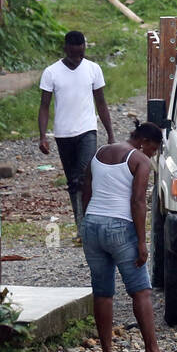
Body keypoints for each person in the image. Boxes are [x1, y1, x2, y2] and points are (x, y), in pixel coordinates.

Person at [81, 121, 177, 352]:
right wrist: (142, 242)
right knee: (140, 290)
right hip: (120, 227)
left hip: (92, 224)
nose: (152, 155)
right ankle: (152, 351)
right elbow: (137, 203)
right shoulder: (139, 160)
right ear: (144, 142)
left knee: (103, 292)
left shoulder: (99, 152)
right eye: (153, 150)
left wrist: (85, 224)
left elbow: (86, 190)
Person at [39, 31, 115, 241]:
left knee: (85, 176)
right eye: (74, 54)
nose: (77, 58)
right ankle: (81, 227)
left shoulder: (93, 69)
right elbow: (44, 106)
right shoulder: (51, 72)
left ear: (84, 49)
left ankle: (90, 226)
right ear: (66, 49)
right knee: (73, 181)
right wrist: (43, 136)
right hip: (63, 134)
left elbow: (101, 103)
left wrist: (110, 133)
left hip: (87, 131)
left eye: (81, 53)